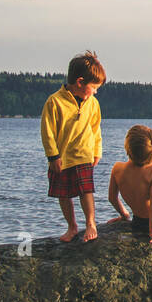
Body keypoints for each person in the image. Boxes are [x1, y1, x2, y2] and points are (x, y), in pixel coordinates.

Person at [40, 50, 105, 242]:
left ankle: (90, 223)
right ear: (79, 82)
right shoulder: (55, 102)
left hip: (84, 155)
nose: (95, 92)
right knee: (64, 194)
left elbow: (96, 129)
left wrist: (96, 151)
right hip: (62, 158)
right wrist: (53, 156)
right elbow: (47, 131)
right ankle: (72, 226)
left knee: (86, 191)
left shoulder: (92, 104)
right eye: (93, 87)